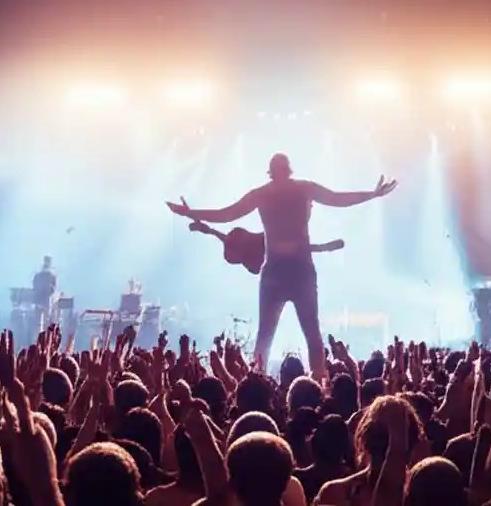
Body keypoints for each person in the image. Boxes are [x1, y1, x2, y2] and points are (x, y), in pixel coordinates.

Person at [168, 153, 397, 379]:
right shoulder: (302, 189)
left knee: (267, 336)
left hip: (277, 272)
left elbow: (226, 214)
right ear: (289, 170)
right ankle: (319, 383)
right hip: (299, 271)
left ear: (271, 172)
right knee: (310, 334)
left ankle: (257, 384)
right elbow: (336, 199)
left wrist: (190, 212)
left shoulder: (263, 194)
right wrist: (372, 195)